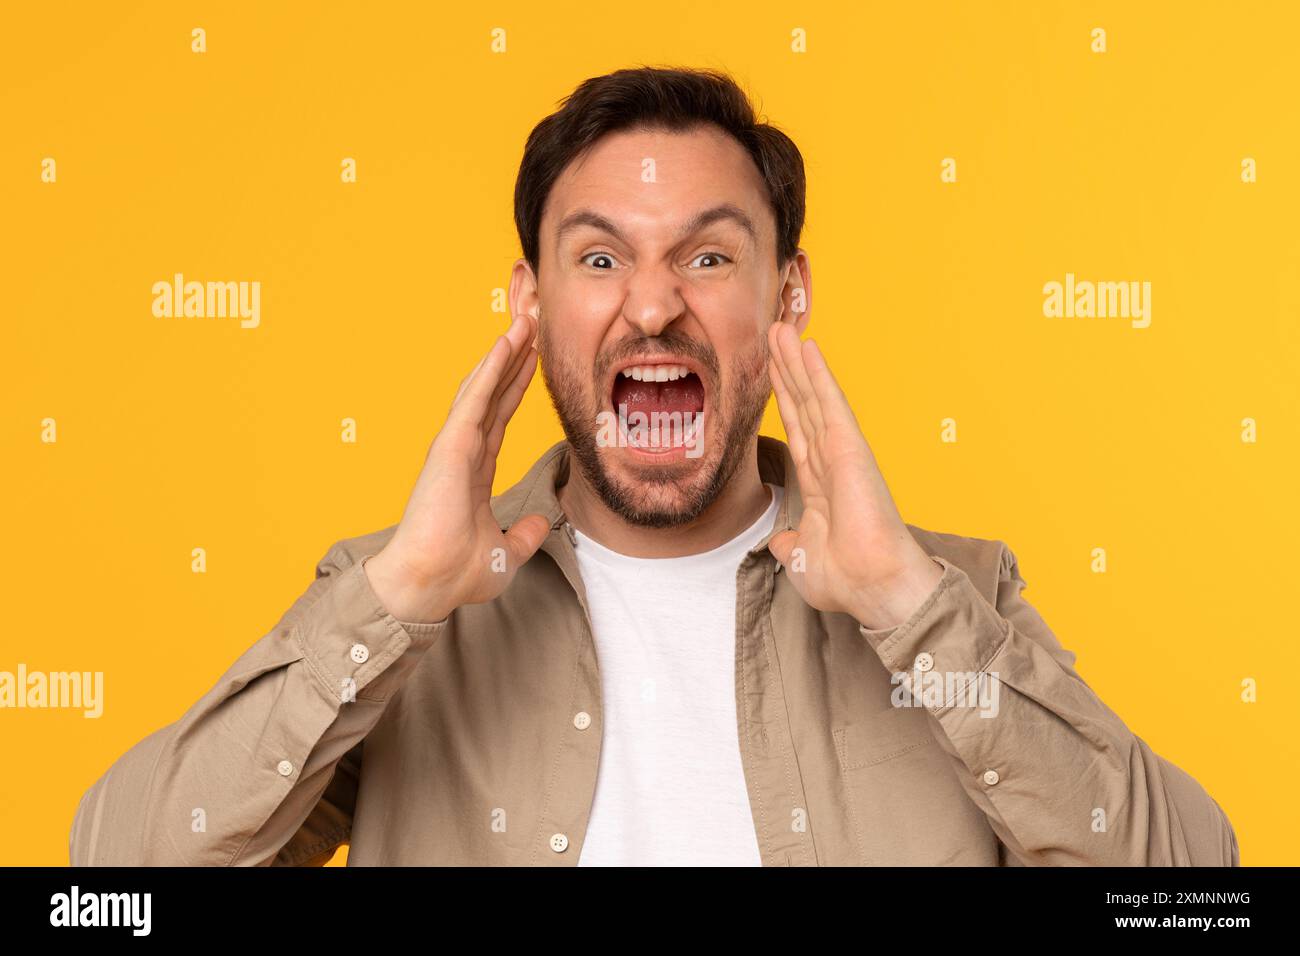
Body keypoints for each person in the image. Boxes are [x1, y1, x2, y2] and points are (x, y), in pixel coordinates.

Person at [69, 66, 1239, 867]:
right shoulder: (400, 614)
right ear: (530, 303)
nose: (651, 303)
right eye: (597, 257)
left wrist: (907, 606)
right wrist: (388, 604)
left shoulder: (954, 600)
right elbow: (106, 883)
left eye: (709, 254)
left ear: (790, 295)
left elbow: (1193, 891)